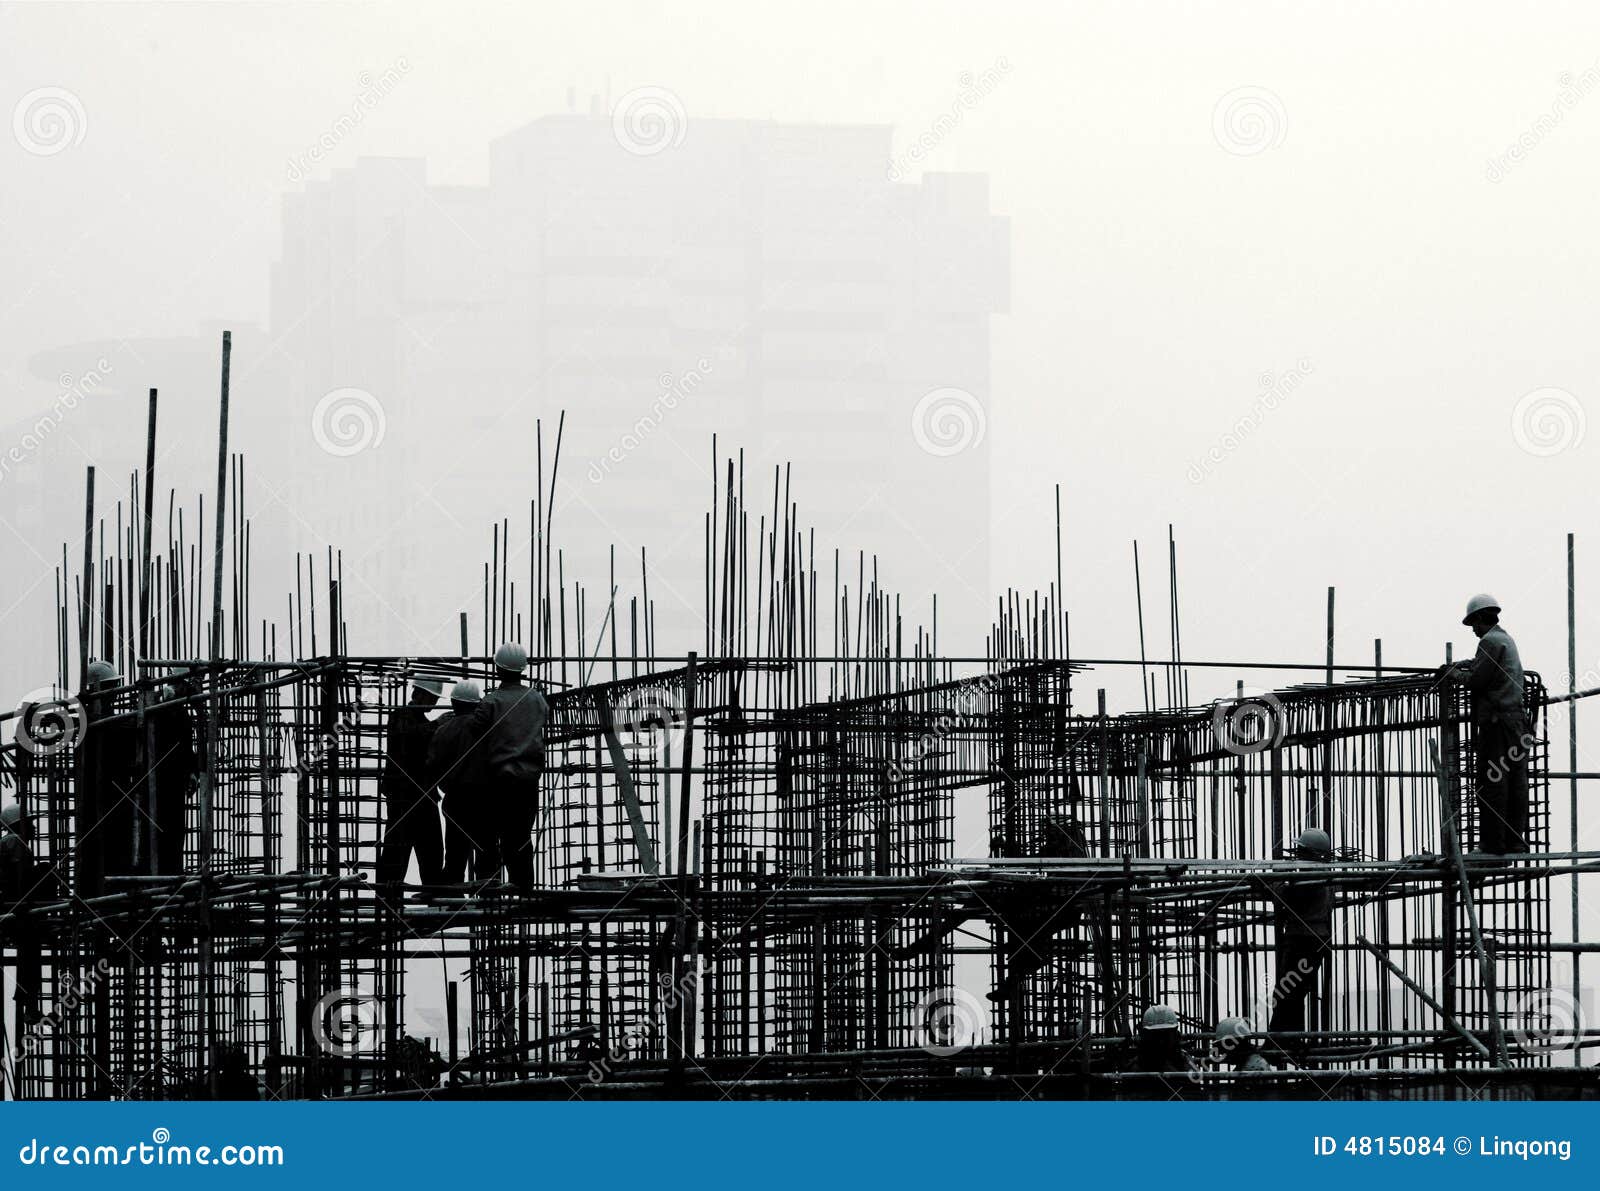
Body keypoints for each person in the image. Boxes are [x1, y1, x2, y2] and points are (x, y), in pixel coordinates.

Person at [1450, 594, 1531, 854]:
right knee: (1515, 781)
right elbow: (1490, 670)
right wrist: (1469, 664)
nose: (1473, 629)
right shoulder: (1505, 639)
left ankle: (1492, 844)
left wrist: (1453, 673)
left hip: (1498, 725)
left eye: (1474, 623)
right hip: (1516, 723)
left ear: (1481, 618)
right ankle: (1515, 841)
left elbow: (1477, 681)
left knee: (1492, 783)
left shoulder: (1489, 641)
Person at [473, 643, 549, 892]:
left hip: (498, 782)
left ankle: (488, 895)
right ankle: (524, 891)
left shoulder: (491, 702)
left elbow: (475, 733)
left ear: (498, 669)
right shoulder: (537, 699)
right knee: (520, 838)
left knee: (488, 840)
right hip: (528, 782)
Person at [990, 811, 1088, 1004]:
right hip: (1055, 906)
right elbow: (1034, 862)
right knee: (1022, 926)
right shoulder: (1064, 844)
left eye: (1048, 829)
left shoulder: (1067, 845)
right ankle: (1019, 972)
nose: (1045, 832)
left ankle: (1023, 969)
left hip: (1064, 906)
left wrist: (1009, 849)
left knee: (1026, 927)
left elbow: (1037, 861)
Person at [75, 660, 140, 895]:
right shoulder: (90, 721)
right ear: (98, 688)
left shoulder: (102, 718)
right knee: (102, 850)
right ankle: (102, 894)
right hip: (101, 796)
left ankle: (112, 891)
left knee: (118, 848)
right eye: (111, 687)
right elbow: (115, 737)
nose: (115, 693)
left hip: (115, 794)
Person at [376, 678, 445, 887]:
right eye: (432, 698)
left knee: (432, 856)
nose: (434, 703)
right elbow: (409, 737)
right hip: (402, 798)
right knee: (395, 859)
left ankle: (433, 899)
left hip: (423, 796)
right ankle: (388, 901)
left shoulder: (423, 722)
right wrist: (437, 725)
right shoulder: (400, 716)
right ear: (420, 694)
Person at [1267, 826, 1335, 1036]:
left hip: (1303, 941)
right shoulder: (1325, 876)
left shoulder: (1310, 879)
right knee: (1293, 993)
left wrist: (1276, 881)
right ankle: (1290, 1039)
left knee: (1287, 994)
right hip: (1313, 939)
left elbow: (1283, 899)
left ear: (1308, 853)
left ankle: (1284, 1040)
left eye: (1301, 851)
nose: (1297, 855)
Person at [429, 680, 490, 882]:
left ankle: (453, 896)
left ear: (454, 703)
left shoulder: (443, 731)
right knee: (487, 856)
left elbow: (433, 765)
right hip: (484, 798)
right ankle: (489, 897)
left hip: (455, 799)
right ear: (477, 704)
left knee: (455, 856)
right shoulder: (486, 728)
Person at [1, 802, 46, 1026]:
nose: (35, 827)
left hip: (12, 906)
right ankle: (29, 1004)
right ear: (19, 825)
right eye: (30, 823)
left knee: (29, 953)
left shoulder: (11, 842)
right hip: (14, 908)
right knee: (30, 952)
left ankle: (29, 1004)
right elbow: (18, 879)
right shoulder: (15, 841)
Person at [148, 679, 199, 876]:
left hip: (174, 780)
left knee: (175, 831)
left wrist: (192, 772)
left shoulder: (181, 711)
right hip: (161, 780)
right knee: (165, 829)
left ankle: (172, 872)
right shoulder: (162, 707)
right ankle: (165, 874)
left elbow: (187, 747)